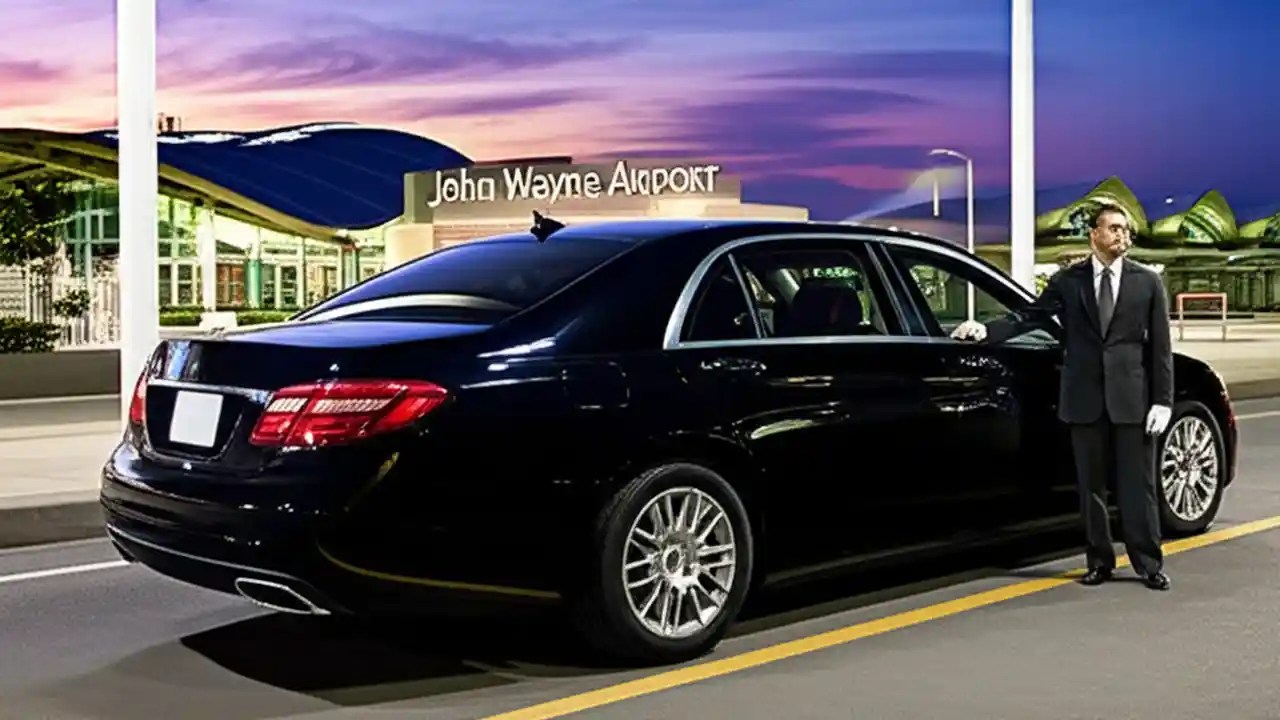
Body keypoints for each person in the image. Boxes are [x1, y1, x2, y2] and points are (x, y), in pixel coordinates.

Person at [951, 202, 1173, 590]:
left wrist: (1162, 401)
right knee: (1091, 488)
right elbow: (1030, 315)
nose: (1123, 236)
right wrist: (987, 332)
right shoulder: (1068, 281)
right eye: (1115, 229)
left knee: (1139, 486)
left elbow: (1160, 347)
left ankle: (1148, 563)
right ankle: (1099, 561)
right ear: (1095, 234)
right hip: (1084, 398)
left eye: (1126, 230)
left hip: (1132, 400)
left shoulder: (1147, 282)